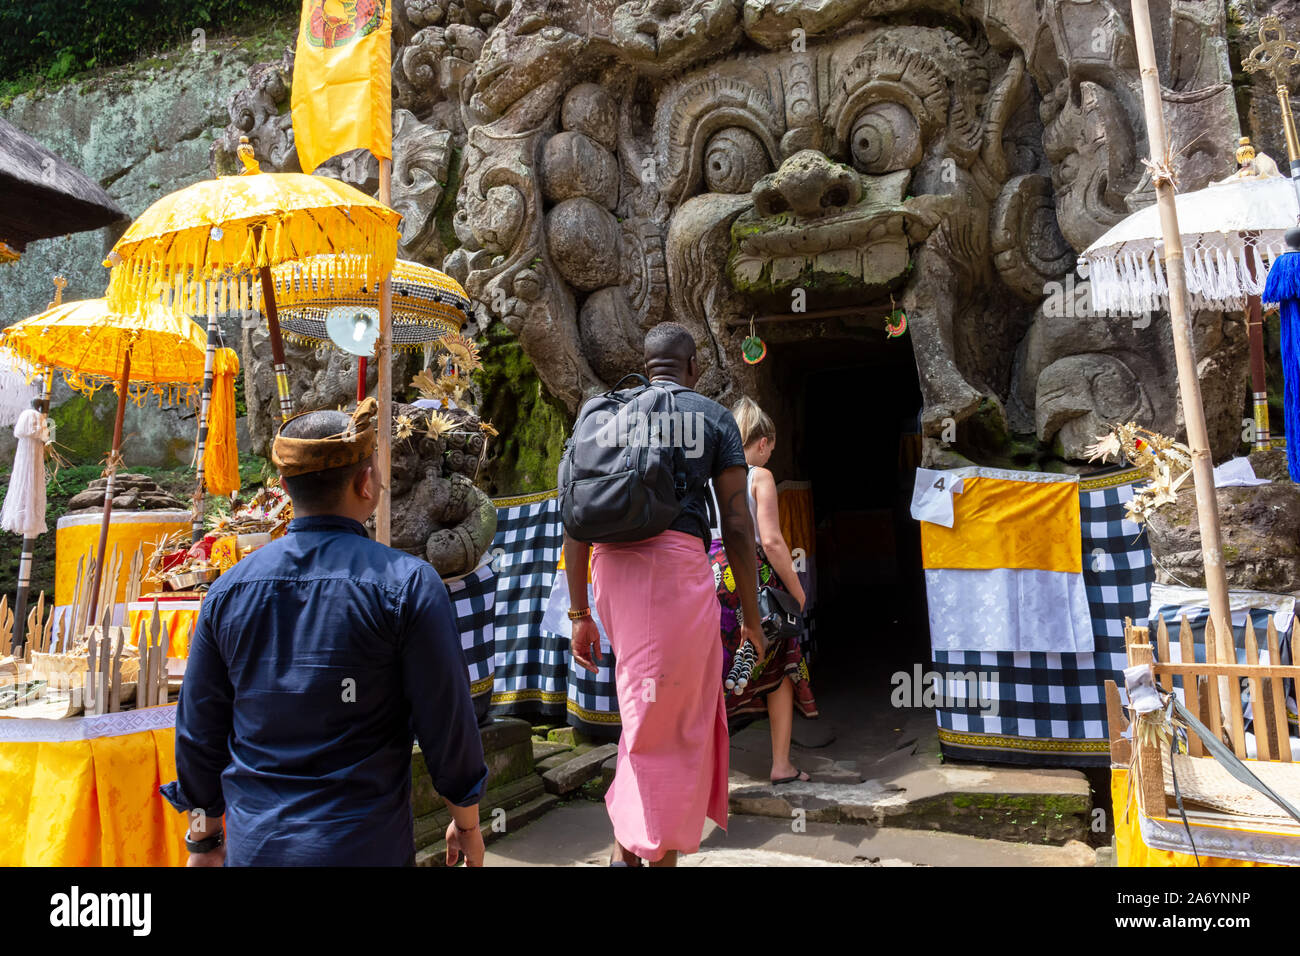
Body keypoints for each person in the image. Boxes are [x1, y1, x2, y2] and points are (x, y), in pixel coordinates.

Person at [161, 398, 488, 866]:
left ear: (283, 487)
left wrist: (204, 840)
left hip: (258, 847)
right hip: (363, 845)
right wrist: (469, 822)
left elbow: (199, 734)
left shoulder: (227, 591)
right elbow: (447, 724)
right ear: (366, 482)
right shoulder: (409, 584)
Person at [566, 321, 763, 867]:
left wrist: (579, 611)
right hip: (672, 575)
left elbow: (575, 517)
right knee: (669, 719)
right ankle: (648, 852)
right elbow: (739, 526)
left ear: (645, 362)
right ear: (693, 367)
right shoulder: (711, 416)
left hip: (611, 575)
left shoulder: (604, 415)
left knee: (649, 709)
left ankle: (636, 846)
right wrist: (751, 616)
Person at [710, 397, 818, 784]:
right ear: (762, 442)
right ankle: (781, 765)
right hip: (751, 575)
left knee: (711, 672)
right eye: (771, 445)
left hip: (709, 577)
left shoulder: (709, 476)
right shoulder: (759, 476)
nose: (771, 452)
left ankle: (709, 775)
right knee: (780, 669)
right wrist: (796, 589)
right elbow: (770, 541)